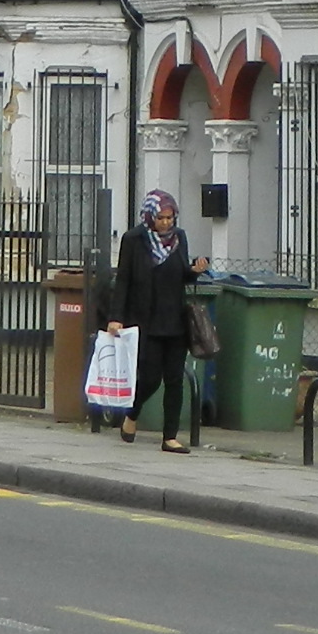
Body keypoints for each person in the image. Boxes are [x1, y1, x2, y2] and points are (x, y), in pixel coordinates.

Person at [102, 188, 207, 451]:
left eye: (170, 218)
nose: (166, 223)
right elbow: (123, 280)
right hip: (146, 320)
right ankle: (132, 414)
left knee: (175, 379)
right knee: (150, 378)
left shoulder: (179, 238)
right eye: (161, 218)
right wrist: (116, 318)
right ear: (150, 216)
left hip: (175, 320)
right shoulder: (134, 239)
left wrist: (194, 271)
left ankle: (169, 437)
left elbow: (182, 273)